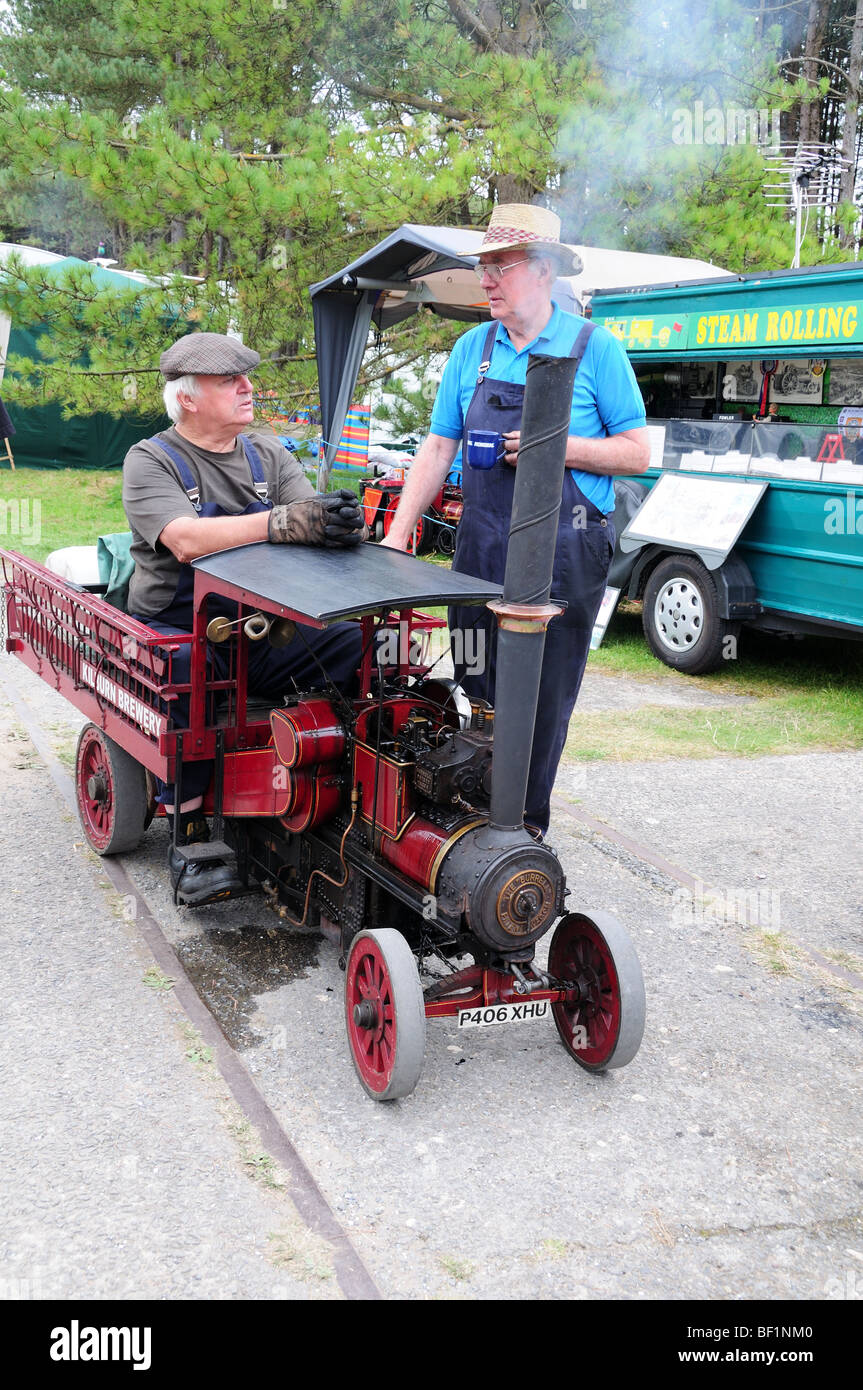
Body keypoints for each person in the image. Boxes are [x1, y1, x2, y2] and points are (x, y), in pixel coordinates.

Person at [382, 204, 650, 839]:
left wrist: (550, 444)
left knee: (543, 695)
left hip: (565, 550)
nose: (486, 279)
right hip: (480, 547)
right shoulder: (471, 350)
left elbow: (638, 452)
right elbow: (439, 448)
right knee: (477, 681)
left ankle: (522, 832)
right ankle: (470, 821)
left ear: (542, 271)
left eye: (499, 265)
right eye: (483, 266)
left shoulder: (594, 348)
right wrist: (396, 533)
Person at [123, 331, 365, 905]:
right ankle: (188, 828)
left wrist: (332, 524)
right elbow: (184, 541)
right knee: (182, 672)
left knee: (353, 643)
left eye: (245, 377)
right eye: (230, 380)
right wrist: (278, 524)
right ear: (187, 398)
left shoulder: (267, 453)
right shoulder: (151, 459)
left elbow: (304, 516)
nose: (247, 387)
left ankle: (336, 781)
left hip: (258, 622)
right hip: (179, 623)